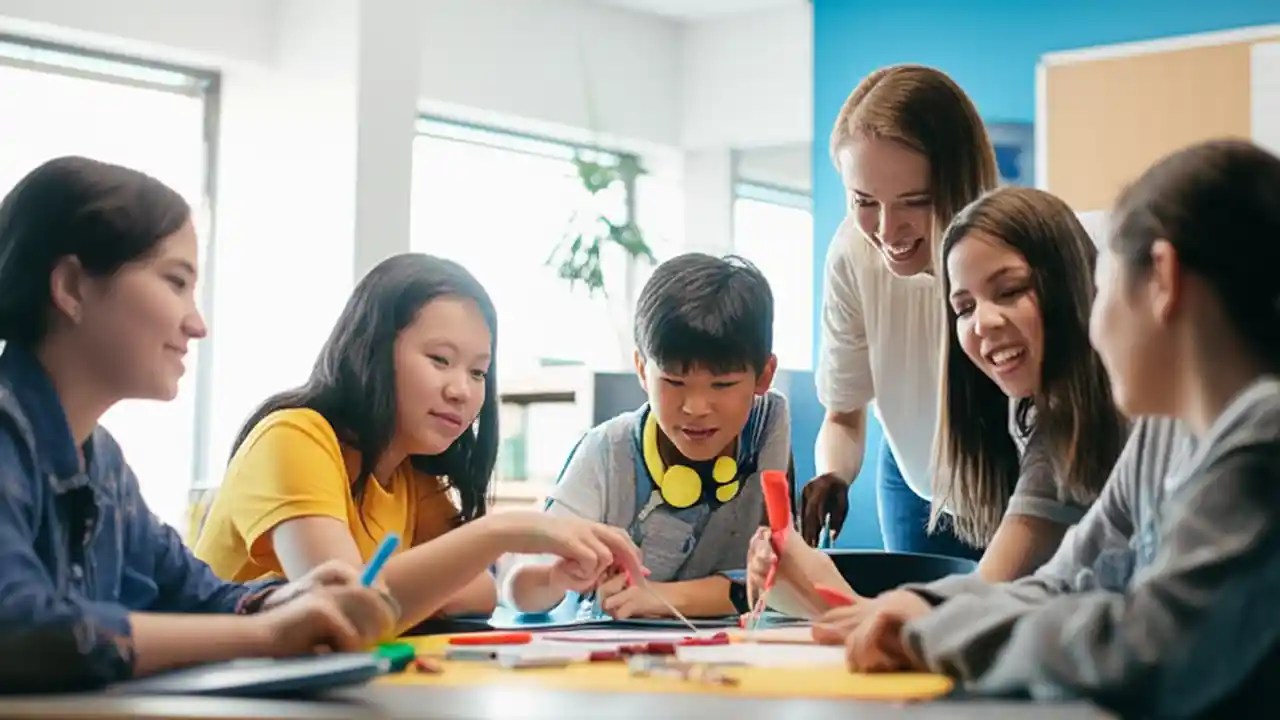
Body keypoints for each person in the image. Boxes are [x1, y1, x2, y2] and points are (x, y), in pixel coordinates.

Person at [817, 140, 1280, 718]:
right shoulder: (1162, 431)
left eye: (1104, 284)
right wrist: (929, 607)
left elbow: (1149, 646)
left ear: (1162, 280)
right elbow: (1065, 579)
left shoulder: (1264, 435)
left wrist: (943, 634)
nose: (1093, 325)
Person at [0, 156, 396, 691]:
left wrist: (287, 598)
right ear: (72, 286)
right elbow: (18, 629)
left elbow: (195, 593)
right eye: (175, 282)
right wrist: (268, 636)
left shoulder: (101, 462)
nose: (196, 323)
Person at [194, 253, 643, 632]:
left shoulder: (410, 474)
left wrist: (400, 588)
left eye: (478, 372)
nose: (462, 391)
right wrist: (502, 531)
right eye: (440, 359)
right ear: (369, 348)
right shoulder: (292, 437)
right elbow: (343, 609)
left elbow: (482, 593)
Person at [747, 187, 1128, 612]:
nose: (982, 322)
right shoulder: (1031, 417)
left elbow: (979, 603)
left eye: (1010, 290)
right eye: (963, 308)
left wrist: (823, 593)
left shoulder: (1072, 428)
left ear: (1069, 280)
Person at [500, 254, 790, 619]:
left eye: (723, 384)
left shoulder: (767, 423)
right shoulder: (606, 451)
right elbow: (520, 589)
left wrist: (657, 596)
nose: (696, 407)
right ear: (641, 368)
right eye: (673, 381)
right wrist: (556, 578)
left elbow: (776, 578)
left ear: (764, 376)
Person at [804, 64, 999, 558]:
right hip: (914, 474)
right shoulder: (852, 254)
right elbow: (844, 415)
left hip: (1012, 481)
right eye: (864, 200)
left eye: (915, 201)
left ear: (964, 181)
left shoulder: (1015, 259)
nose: (888, 231)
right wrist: (833, 473)